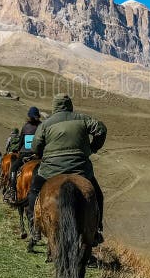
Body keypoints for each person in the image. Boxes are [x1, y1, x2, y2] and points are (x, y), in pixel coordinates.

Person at [27, 93, 106, 245]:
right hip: (80, 169)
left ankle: (35, 226)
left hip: (51, 170)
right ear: (70, 105)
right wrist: (93, 148)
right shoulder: (82, 118)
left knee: (33, 192)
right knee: (97, 195)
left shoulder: (46, 124)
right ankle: (96, 229)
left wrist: (43, 154)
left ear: (54, 106)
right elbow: (101, 129)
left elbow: (35, 146)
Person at [5, 107, 42, 202]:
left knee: (13, 168)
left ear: (29, 116)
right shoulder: (41, 126)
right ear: (38, 116)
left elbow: (21, 142)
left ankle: (12, 190)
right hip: (38, 155)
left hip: (25, 154)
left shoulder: (25, 127)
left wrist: (17, 149)